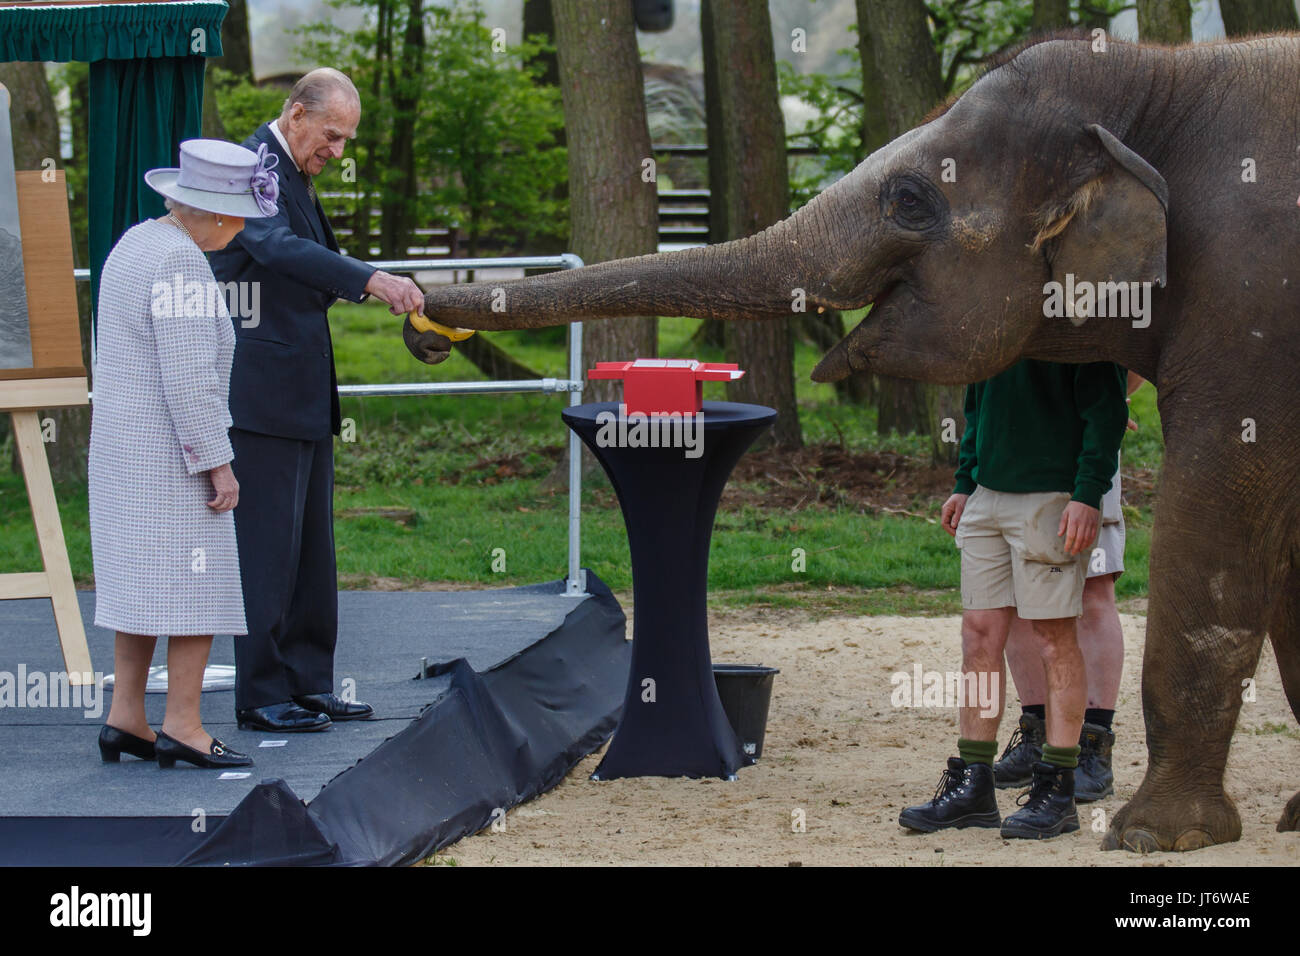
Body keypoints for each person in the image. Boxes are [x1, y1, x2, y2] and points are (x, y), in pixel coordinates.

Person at [208, 68, 425, 733]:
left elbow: (304, 257)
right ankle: (261, 692)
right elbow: (275, 247)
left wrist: (356, 279)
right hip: (260, 389)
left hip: (301, 384)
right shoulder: (250, 166)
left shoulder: (291, 168)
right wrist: (370, 279)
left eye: (346, 139)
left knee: (309, 548)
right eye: (332, 135)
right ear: (296, 114)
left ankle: (308, 680)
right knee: (267, 547)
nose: (338, 150)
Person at [92, 138, 281, 769]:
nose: (243, 231)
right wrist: (218, 463)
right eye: (241, 218)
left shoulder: (136, 241)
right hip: (170, 452)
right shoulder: (182, 263)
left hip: (122, 448)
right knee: (198, 588)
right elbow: (190, 377)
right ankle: (184, 725)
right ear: (219, 213)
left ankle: (126, 717)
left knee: (142, 583)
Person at [898, 359, 1128, 838]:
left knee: (1053, 636)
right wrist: (966, 482)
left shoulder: (1075, 324)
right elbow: (977, 403)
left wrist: (1088, 493)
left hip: (1052, 494)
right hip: (987, 495)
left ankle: (1057, 790)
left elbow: (1106, 410)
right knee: (978, 635)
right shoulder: (992, 326)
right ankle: (974, 783)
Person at [994, 373, 1145, 802]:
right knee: (1020, 593)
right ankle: (1038, 734)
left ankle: (1093, 746)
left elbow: (1133, 352)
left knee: (1093, 592)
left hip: (1084, 443)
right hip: (1015, 444)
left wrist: (1107, 400)